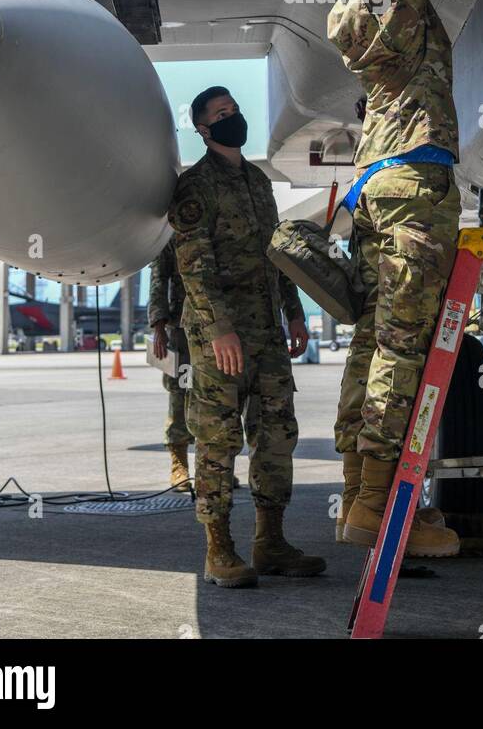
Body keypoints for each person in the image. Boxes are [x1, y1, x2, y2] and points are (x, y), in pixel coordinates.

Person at [313, 0, 475, 557]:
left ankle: (358, 498)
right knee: (405, 352)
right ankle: (382, 508)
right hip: (415, 180)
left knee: (375, 345)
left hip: (382, 182)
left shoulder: (356, 8)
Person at [168, 86, 326, 588]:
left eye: (235, 109)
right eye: (221, 113)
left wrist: (296, 314)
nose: (232, 117)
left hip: (267, 331)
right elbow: (192, 265)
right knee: (218, 439)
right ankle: (219, 549)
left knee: (277, 434)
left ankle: (270, 542)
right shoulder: (196, 186)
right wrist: (220, 329)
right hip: (222, 338)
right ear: (203, 128)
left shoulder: (258, 180)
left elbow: (277, 255)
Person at [148, 236, 194, 491]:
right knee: (179, 397)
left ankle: (215, 467)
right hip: (180, 328)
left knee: (217, 399)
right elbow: (158, 277)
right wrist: (158, 326)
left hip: (217, 328)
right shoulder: (170, 232)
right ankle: (179, 465)